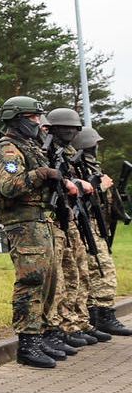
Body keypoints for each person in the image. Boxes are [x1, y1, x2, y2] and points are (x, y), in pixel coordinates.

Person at [0, 97, 73, 370]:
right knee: (31, 281)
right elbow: (9, 186)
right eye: (32, 117)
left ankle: (41, 333)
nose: (37, 122)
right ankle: (28, 342)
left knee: (49, 279)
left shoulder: (29, 146)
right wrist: (42, 174)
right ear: (16, 118)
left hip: (40, 221)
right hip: (23, 223)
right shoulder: (7, 149)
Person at [45, 108, 111, 346]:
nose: (70, 132)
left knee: (78, 273)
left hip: (70, 217)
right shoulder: (46, 153)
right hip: (55, 220)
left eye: (73, 129)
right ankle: (65, 325)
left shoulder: (65, 155)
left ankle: (78, 322)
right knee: (64, 276)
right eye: (65, 128)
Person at [74, 126, 131, 336]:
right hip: (87, 227)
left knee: (98, 270)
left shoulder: (90, 167)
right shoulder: (79, 168)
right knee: (102, 271)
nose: (97, 148)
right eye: (94, 145)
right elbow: (82, 198)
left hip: (98, 227)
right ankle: (102, 315)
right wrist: (101, 187)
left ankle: (98, 315)